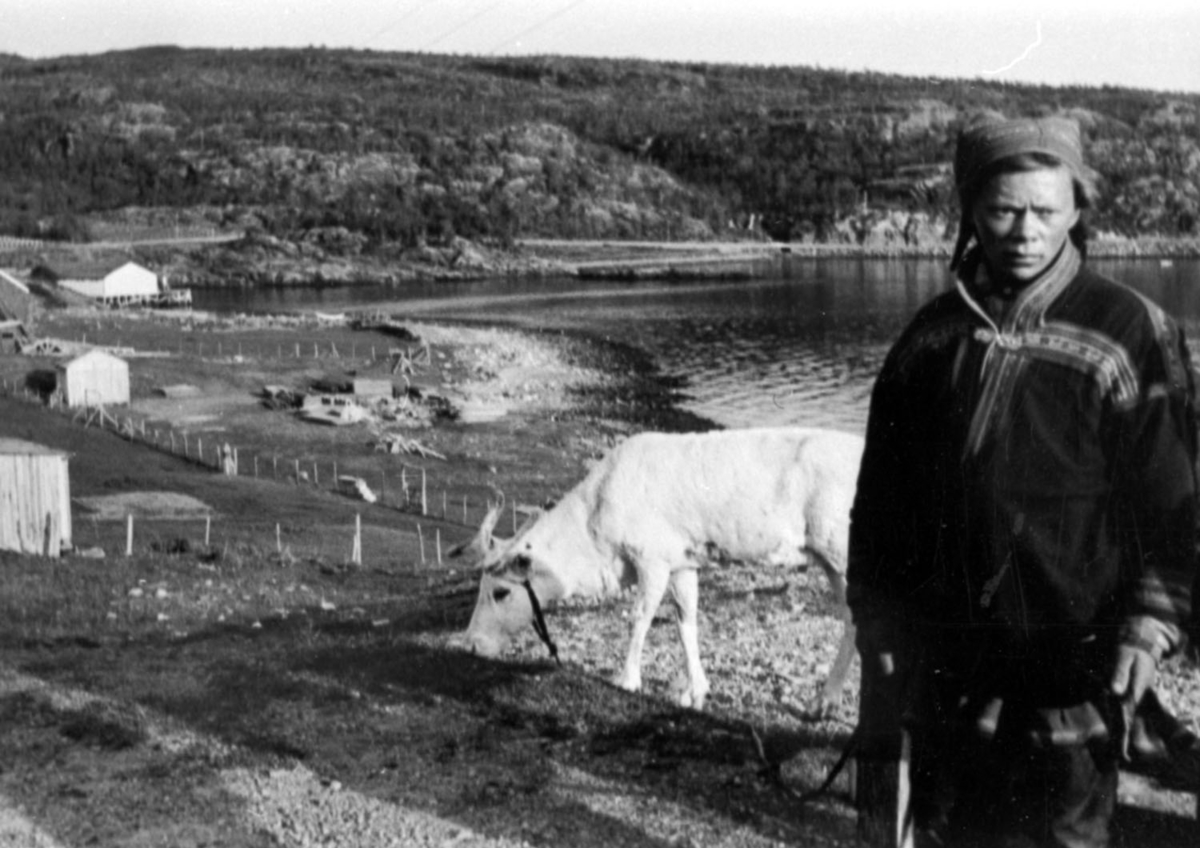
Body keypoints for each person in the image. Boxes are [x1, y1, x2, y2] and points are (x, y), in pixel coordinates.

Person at [847, 113, 1198, 848]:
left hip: (1074, 657)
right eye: (1004, 209)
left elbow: (1174, 501)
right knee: (948, 829)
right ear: (971, 209)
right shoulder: (932, 336)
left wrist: (1150, 624)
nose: (1024, 231)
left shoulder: (1130, 330)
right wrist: (877, 615)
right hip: (947, 664)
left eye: (1045, 210)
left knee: (1063, 833)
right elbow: (881, 497)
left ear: (1078, 208)